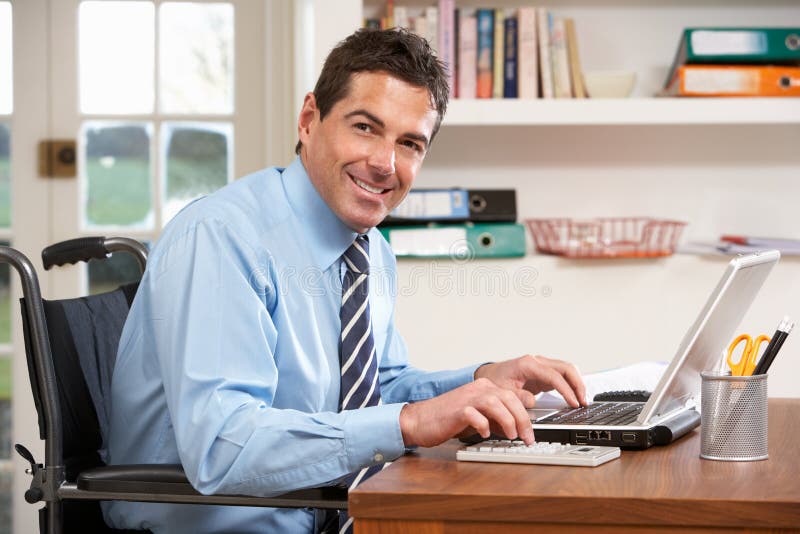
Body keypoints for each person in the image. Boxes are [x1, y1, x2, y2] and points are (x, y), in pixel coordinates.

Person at [104, 28, 587, 534]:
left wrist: (480, 382)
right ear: (310, 120)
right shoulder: (223, 237)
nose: (385, 163)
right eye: (365, 127)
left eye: (409, 143)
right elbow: (223, 444)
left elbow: (378, 383)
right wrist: (408, 424)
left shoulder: (370, 249)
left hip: (334, 515)